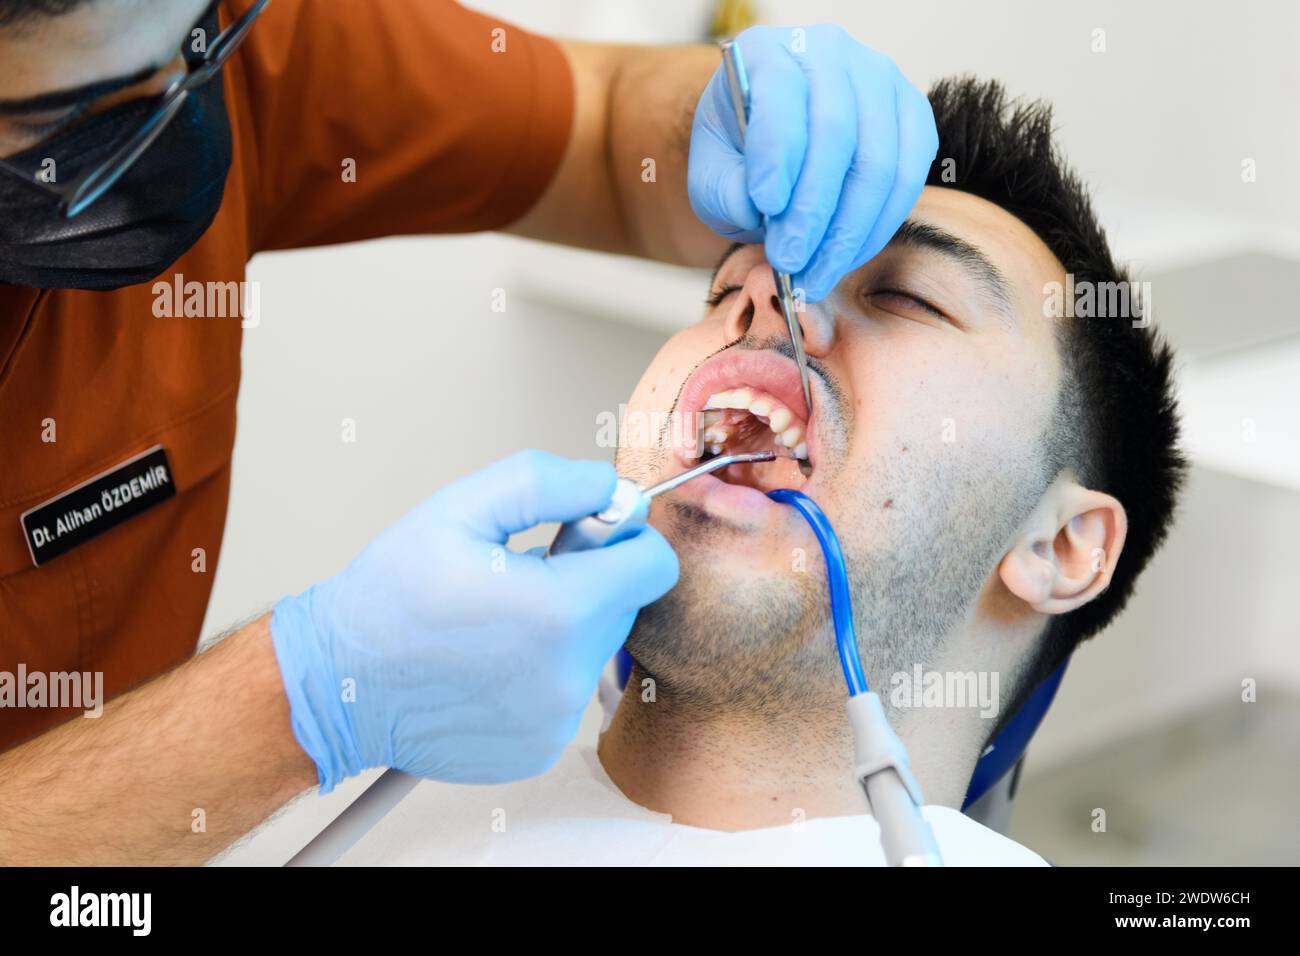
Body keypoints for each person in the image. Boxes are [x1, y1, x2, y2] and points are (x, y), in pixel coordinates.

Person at [0, 1, 939, 864]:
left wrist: (735, 107)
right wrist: (301, 701)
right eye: (79, 116)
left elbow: (604, 127)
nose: (773, 306)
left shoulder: (226, 27)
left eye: (202, 39)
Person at [336, 77, 1187, 866]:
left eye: (907, 296)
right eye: (727, 289)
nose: (774, 297)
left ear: (1063, 546)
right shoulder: (392, 803)